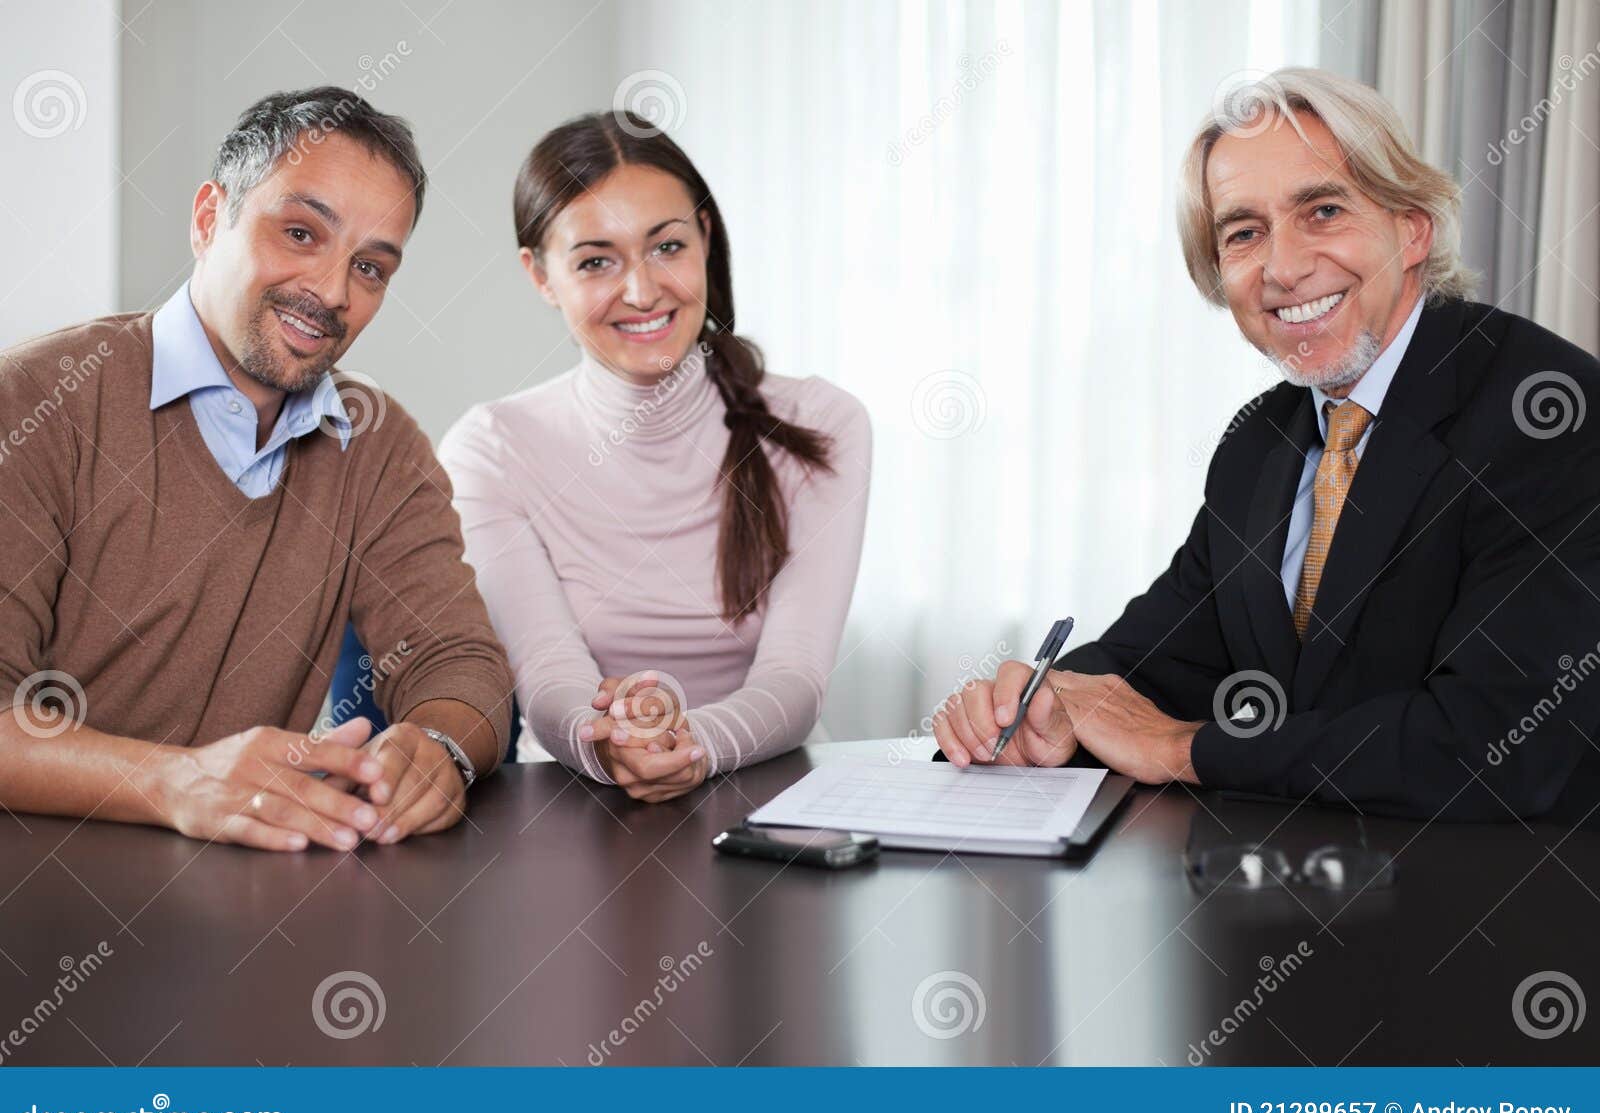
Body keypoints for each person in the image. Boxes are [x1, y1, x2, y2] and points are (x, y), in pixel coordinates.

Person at [933, 67, 1600, 823]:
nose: (1283, 268)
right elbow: (1155, 663)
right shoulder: (1261, 438)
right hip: (1282, 895)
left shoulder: (1550, 413)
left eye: (1322, 210)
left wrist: (1185, 748)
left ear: (1412, 228)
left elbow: (1491, 743)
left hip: (1500, 913)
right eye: (1245, 232)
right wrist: (1046, 704)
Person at [0, 88, 513, 850]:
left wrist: (435, 748)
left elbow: (460, 661)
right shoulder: (37, 401)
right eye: (301, 232)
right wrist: (176, 781)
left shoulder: (379, 444)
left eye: (370, 268)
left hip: (226, 908)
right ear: (210, 217)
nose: (333, 292)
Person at [436, 111, 871, 804]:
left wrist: (693, 744)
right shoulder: (490, 448)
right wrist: (609, 742)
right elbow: (550, 675)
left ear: (704, 236)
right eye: (596, 261)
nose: (641, 291)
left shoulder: (821, 424)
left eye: (666, 246)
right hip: (575, 805)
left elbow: (795, 679)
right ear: (541, 275)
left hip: (756, 805)